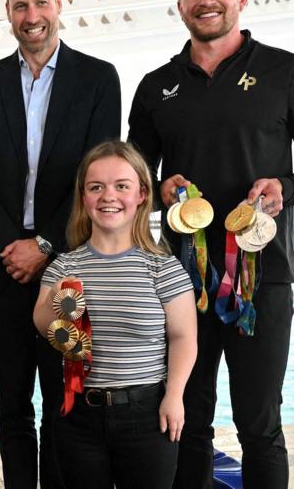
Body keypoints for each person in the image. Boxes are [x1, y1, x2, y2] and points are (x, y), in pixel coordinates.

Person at [126, 0, 294, 487]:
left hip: (261, 280)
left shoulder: (289, 72)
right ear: (179, 5)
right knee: (185, 423)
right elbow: (130, 184)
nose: (208, 1)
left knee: (260, 428)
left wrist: (284, 189)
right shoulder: (156, 86)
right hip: (181, 285)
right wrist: (157, 190)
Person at [0, 0, 121, 488]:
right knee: (15, 406)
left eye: (41, 3)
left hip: (69, 264)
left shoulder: (97, 79)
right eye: (21, 6)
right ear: (8, 13)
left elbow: (95, 175)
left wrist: (44, 245)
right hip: (3, 266)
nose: (33, 16)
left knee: (62, 402)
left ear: (59, 4)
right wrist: (14, 246)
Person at [32, 141, 197, 488]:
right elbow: (44, 325)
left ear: (141, 194)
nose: (109, 196)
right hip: (79, 414)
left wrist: (175, 396)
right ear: (84, 197)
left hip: (148, 414)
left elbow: (183, 337)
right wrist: (58, 296)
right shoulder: (64, 265)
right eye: (97, 187)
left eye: (121, 185)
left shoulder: (162, 268)